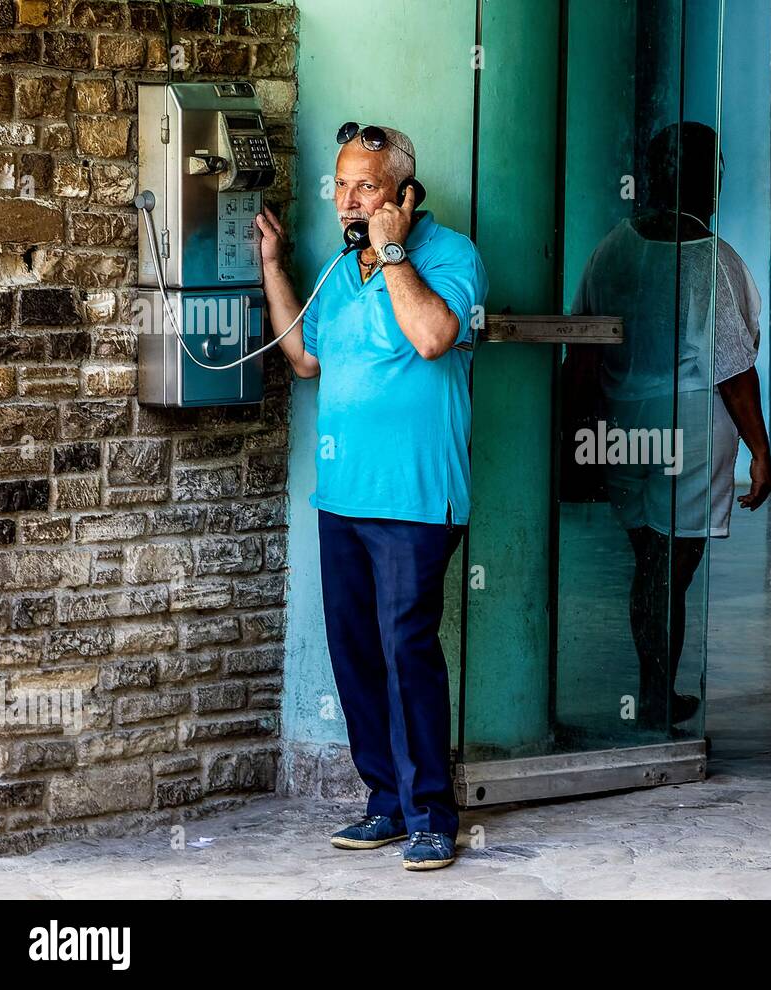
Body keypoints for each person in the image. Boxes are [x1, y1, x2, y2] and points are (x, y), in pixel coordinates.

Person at [255, 122, 488, 870]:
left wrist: (391, 252)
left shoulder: (450, 256)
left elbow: (431, 336)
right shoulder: (337, 268)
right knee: (355, 651)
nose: (349, 200)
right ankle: (384, 800)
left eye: (366, 186)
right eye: (343, 184)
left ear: (405, 194)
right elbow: (302, 357)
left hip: (416, 500)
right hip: (343, 496)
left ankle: (432, 815)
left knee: (406, 648)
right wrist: (272, 264)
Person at [571, 122, 771, 731]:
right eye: (712, 168)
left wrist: (572, 433)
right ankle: (657, 695)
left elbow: (581, 349)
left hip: (624, 423)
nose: (716, 180)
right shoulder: (711, 260)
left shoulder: (613, 246)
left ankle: (654, 690)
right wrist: (761, 452)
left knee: (652, 563)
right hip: (689, 427)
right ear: (697, 178)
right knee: (670, 570)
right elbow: (733, 371)